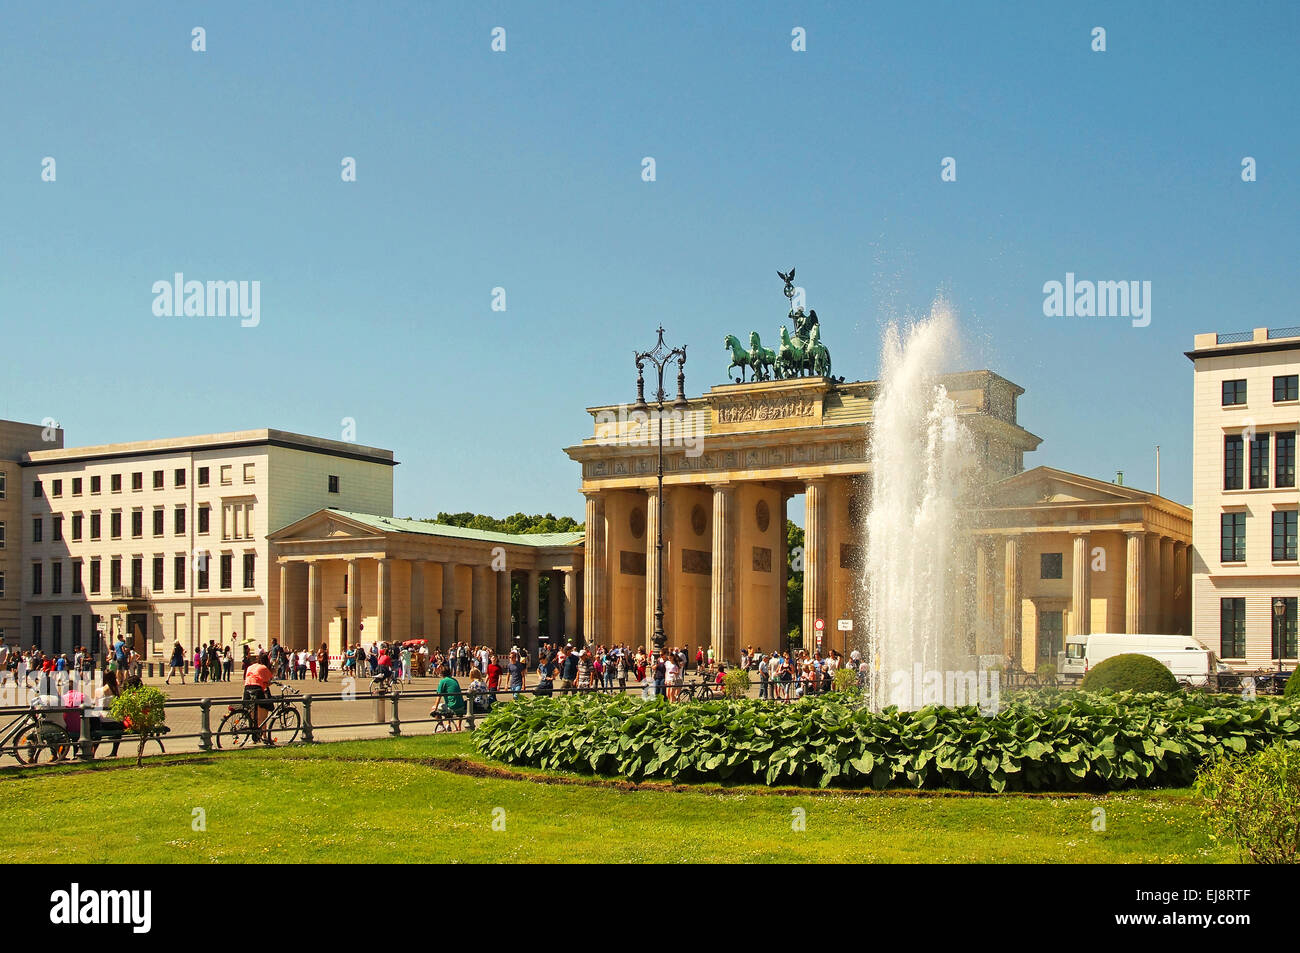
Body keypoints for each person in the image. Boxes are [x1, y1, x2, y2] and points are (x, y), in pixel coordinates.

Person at [243, 651, 277, 745]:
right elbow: (269, 681)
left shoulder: (251, 666)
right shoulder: (264, 667)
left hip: (247, 690)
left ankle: (254, 736)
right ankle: (264, 736)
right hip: (257, 690)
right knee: (263, 715)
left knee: (253, 715)